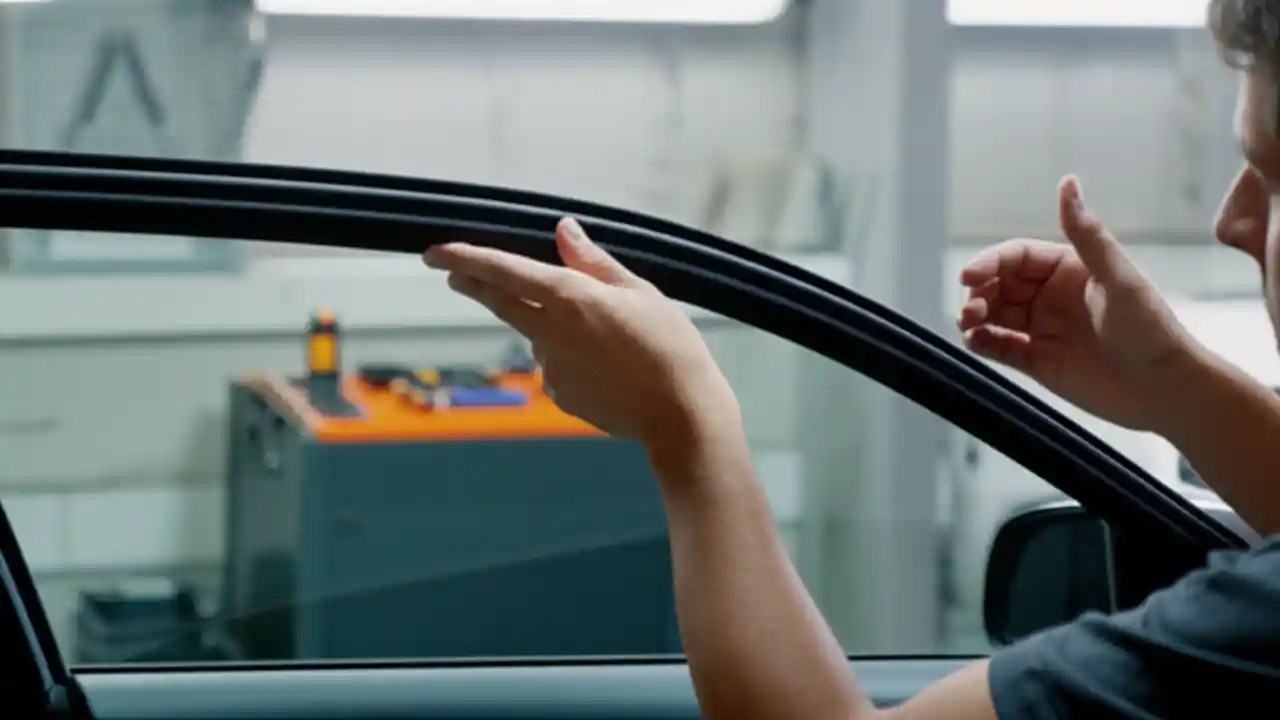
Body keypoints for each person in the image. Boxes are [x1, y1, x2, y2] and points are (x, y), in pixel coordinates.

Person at [422, 1, 1280, 716]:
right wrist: (1175, 385)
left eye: (1275, 177)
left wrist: (684, 427)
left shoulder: (1255, 621)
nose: (1233, 221)